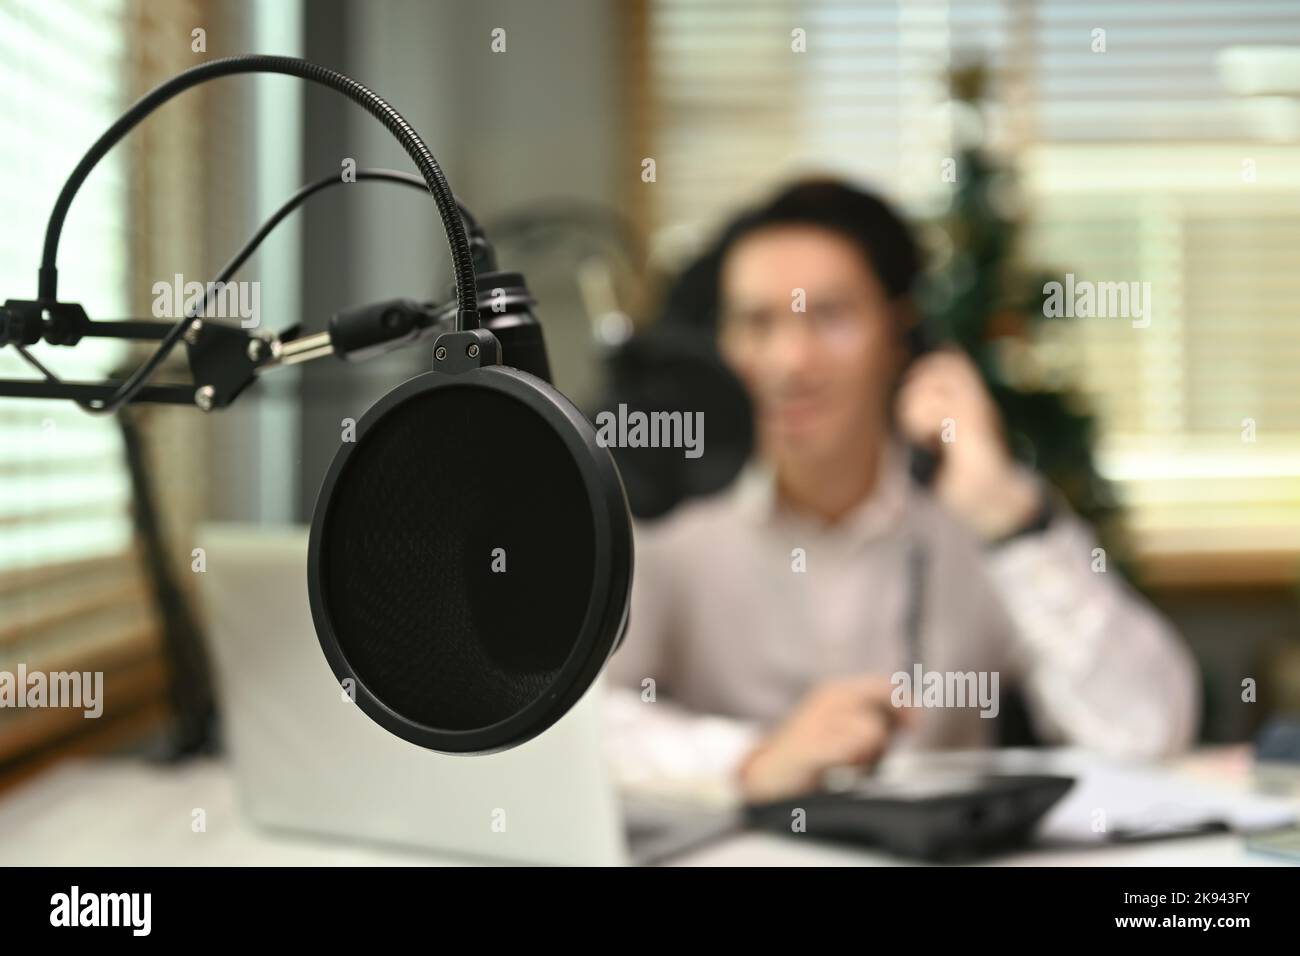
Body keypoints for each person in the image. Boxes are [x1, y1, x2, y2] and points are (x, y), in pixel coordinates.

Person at [603, 179, 1199, 804]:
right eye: (757, 322)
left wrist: (1010, 519)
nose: (790, 362)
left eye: (829, 317)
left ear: (901, 338)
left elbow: (1147, 733)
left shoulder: (982, 512)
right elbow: (577, 725)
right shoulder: (669, 517)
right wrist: (751, 761)